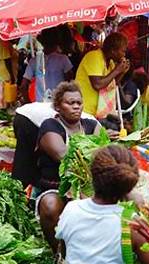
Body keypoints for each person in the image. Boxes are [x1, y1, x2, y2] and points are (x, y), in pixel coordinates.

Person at [55, 145, 149, 264]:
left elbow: (66, 252)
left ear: (92, 174)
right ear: (129, 185)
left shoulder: (71, 210)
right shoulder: (131, 223)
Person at [35, 81, 101, 253]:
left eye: (79, 103)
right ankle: (60, 254)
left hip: (88, 189)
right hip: (56, 188)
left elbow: (105, 155)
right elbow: (63, 155)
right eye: (70, 103)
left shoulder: (91, 126)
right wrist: (95, 149)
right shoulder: (50, 126)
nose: (76, 107)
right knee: (50, 206)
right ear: (58, 106)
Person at [75, 32, 130, 120]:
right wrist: (117, 70)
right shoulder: (94, 56)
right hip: (85, 111)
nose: (124, 54)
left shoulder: (110, 62)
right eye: (123, 51)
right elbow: (98, 85)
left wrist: (122, 72)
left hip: (99, 112)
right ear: (113, 50)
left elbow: (113, 83)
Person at [21, 29, 73, 103]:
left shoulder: (34, 60)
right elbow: (70, 82)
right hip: (59, 103)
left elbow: (23, 86)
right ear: (57, 42)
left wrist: (28, 103)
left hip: (41, 104)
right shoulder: (63, 59)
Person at [0, 39, 18, 109]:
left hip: (4, 73)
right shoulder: (3, 43)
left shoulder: (5, 43)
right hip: (4, 74)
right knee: (3, 99)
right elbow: (7, 60)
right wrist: (12, 75)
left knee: (6, 98)